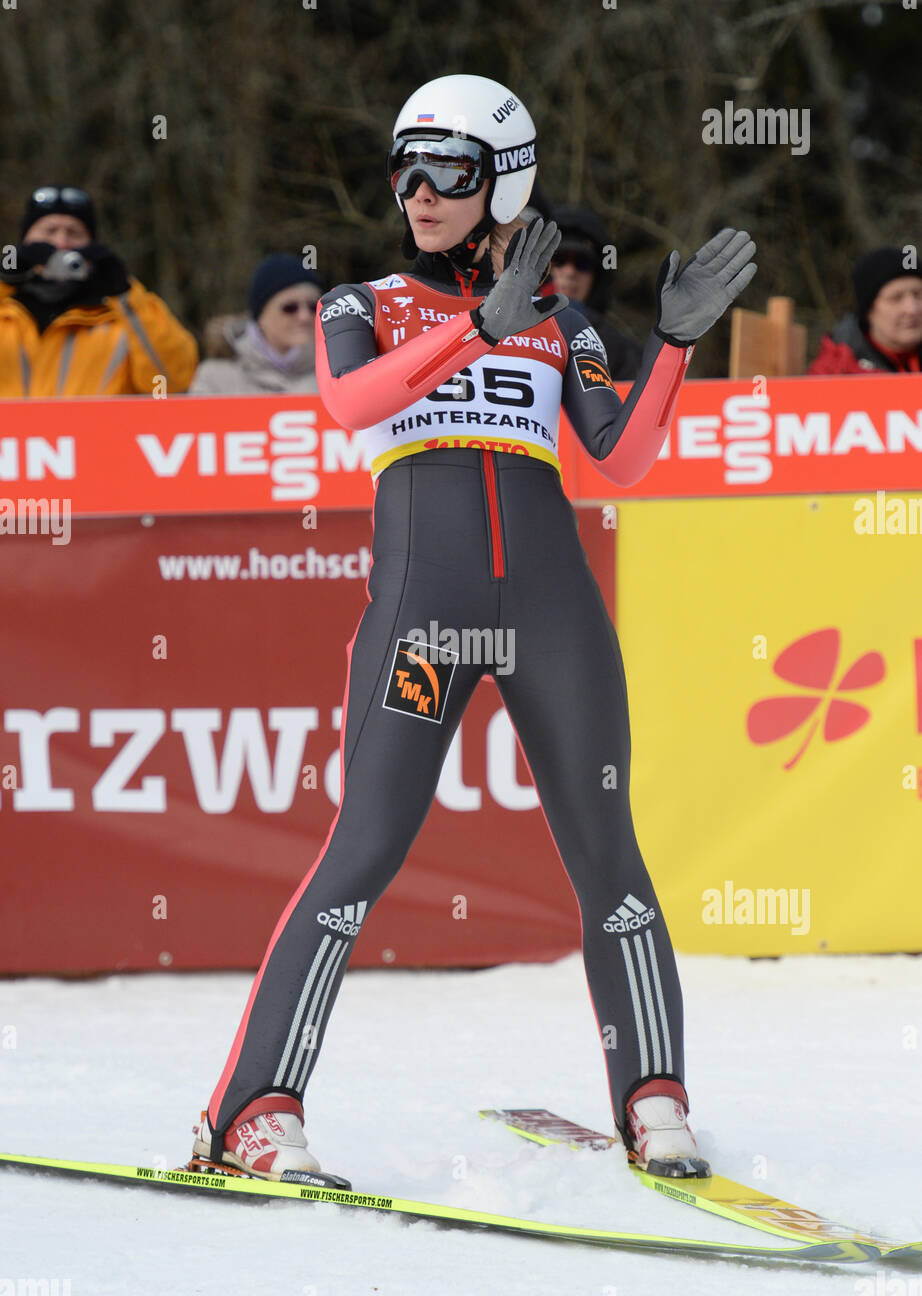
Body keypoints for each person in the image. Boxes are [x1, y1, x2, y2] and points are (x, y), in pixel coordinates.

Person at [192, 75, 756, 1185]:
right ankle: (251, 1109)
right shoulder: (362, 303)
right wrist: (466, 333)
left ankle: (654, 1094)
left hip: (552, 614)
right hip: (423, 617)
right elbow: (351, 406)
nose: (416, 192)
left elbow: (623, 459)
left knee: (610, 859)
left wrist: (676, 346)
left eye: (444, 169)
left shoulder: (564, 321)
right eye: (403, 168)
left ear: (504, 179)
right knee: (361, 853)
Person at [0, 184, 198, 396]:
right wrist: (7, 277)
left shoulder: (123, 319)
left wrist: (124, 293)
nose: (61, 243)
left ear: (91, 245)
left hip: (93, 430)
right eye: (49, 232)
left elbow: (173, 383)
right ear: (26, 241)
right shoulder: (6, 313)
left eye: (74, 233)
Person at [189, 254, 323, 394]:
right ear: (261, 316)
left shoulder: (338, 374)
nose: (304, 316)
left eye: (313, 307)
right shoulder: (215, 378)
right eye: (289, 308)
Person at [548, 204, 642, 379]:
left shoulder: (622, 352)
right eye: (558, 260)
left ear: (597, 277)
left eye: (582, 264)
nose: (570, 272)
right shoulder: (503, 333)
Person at [807, 247, 922, 374]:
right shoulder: (833, 373)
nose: (912, 309)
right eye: (896, 298)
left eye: (918, 295)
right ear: (869, 310)